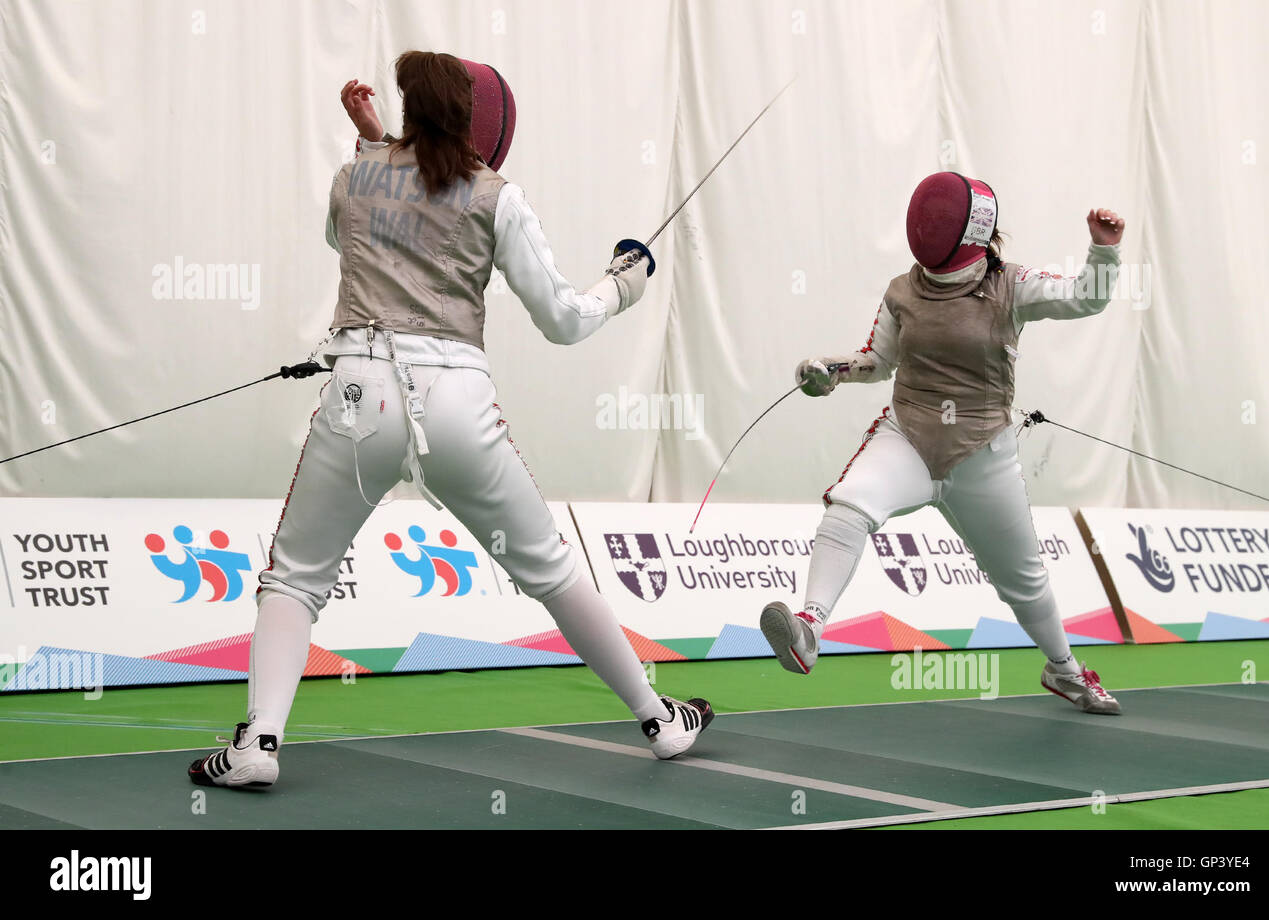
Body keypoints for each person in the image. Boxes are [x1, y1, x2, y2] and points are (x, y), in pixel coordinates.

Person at [190, 52, 712, 788]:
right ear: (488, 132)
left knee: (296, 579)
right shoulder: (497, 195)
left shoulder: (355, 176)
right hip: (458, 406)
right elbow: (563, 321)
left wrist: (377, 148)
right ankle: (658, 720)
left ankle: (258, 746)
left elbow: (349, 238)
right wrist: (622, 284)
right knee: (553, 571)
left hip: (358, 400)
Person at [760, 171, 1124, 715]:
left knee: (1023, 581)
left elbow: (1084, 301)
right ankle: (810, 628)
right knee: (849, 504)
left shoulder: (1011, 284)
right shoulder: (903, 290)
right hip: (910, 434)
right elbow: (877, 363)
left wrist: (1103, 251)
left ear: (970, 227)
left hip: (983, 451)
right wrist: (831, 370)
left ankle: (1065, 670)